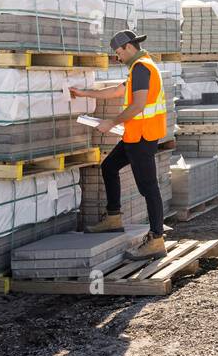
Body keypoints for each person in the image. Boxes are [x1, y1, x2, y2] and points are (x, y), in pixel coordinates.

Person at [70, 30, 169, 259]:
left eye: (118, 53)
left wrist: (111, 122)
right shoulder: (139, 67)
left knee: (149, 189)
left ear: (128, 47)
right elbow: (116, 91)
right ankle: (113, 218)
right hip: (134, 136)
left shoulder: (143, 68)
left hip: (142, 138)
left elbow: (138, 106)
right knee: (109, 167)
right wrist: (83, 92)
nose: (118, 58)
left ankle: (156, 239)